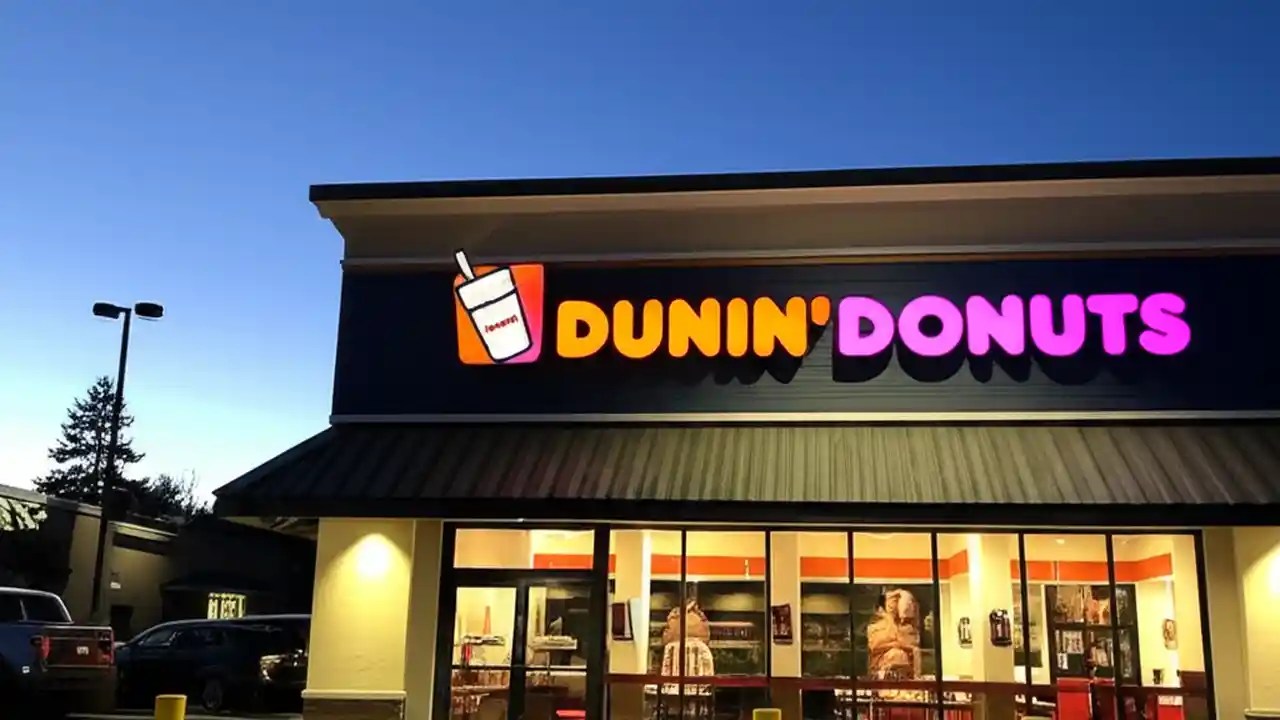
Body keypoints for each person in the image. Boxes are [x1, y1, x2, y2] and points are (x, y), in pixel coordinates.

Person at [867, 589, 921, 679]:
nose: (894, 605)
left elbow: (913, 647)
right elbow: (874, 647)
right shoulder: (874, 627)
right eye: (891, 601)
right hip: (883, 671)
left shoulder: (907, 628)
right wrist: (894, 644)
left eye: (897, 601)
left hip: (905, 674)